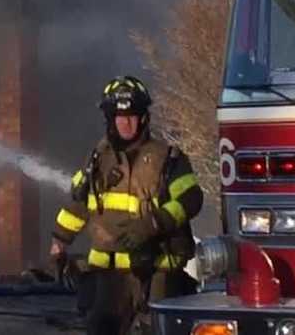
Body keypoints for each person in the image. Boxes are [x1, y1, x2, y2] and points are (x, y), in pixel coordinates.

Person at [49, 75, 202, 335]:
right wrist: (59, 241)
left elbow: (191, 200)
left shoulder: (167, 159)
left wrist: (152, 224)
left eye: (132, 115)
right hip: (109, 276)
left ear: (143, 117)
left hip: (158, 273)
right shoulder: (97, 158)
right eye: (120, 117)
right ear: (110, 119)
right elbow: (81, 204)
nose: (126, 122)